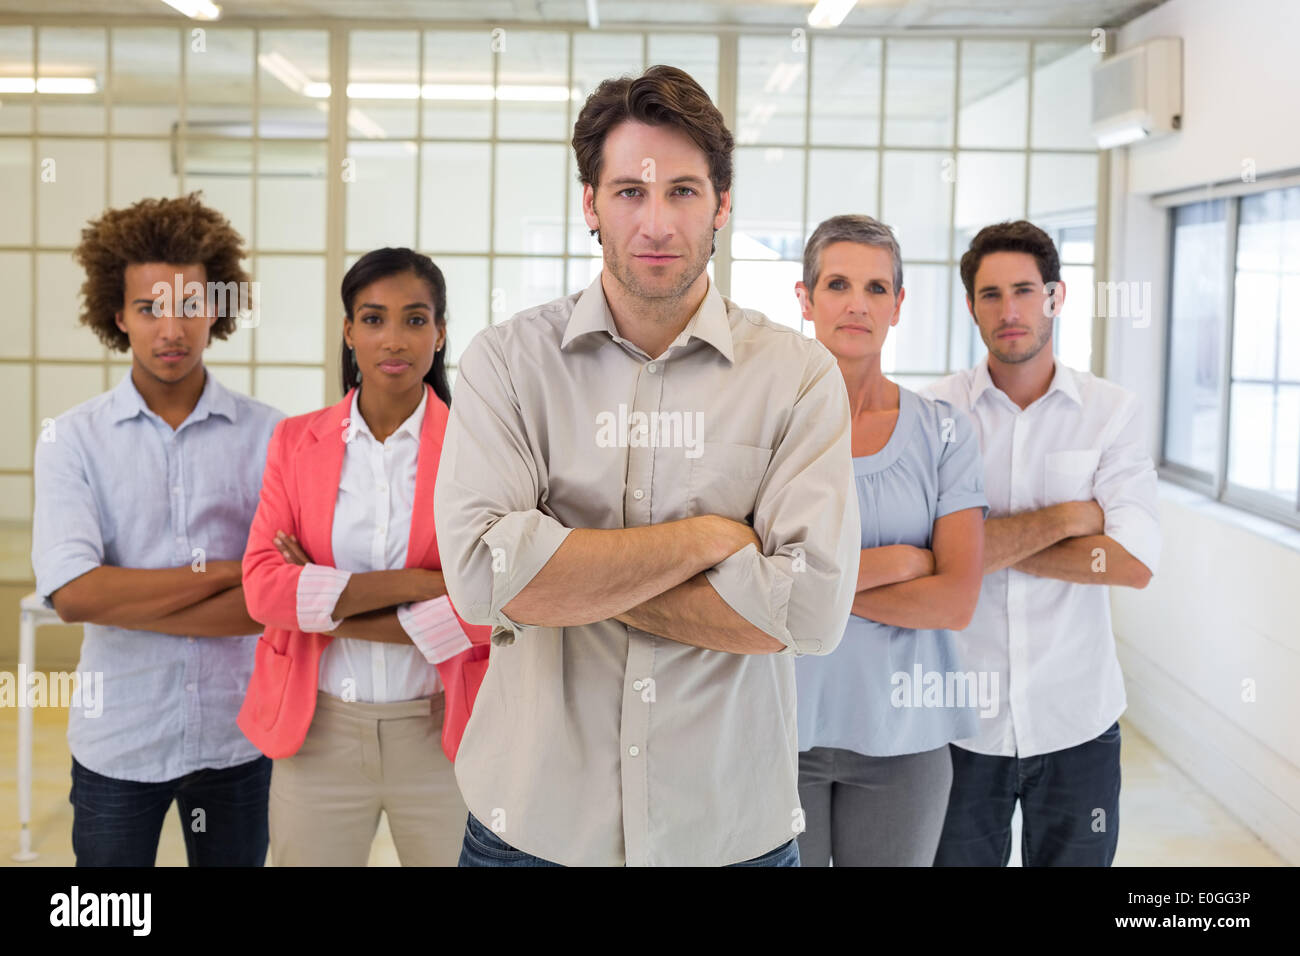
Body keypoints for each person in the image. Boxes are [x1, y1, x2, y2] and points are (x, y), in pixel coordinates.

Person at [433, 65, 861, 867]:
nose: (657, 223)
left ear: (722, 206)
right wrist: (708, 539)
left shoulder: (797, 377)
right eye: (630, 191)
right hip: (530, 826)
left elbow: (807, 613)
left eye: (684, 192)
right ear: (589, 205)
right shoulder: (508, 364)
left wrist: (566, 572)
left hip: (731, 831)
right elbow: (482, 580)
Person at [32, 193, 283, 866]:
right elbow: (76, 596)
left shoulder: (269, 437)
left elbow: (274, 603)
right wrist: (229, 572)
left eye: (189, 306)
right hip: (120, 739)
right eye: (149, 309)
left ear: (216, 311)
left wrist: (134, 598)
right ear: (118, 315)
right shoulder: (72, 441)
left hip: (237, 740)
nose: (170, 328)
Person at [238, 247, 490, 867]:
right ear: (349, 332)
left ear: (440, 332)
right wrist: (420, 583)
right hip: (318, 730)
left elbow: (490, 605)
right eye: (373, 319)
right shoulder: (296, 441)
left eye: (415, 318)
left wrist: (323, 597)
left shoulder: (478, 448)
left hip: (444, 729)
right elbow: (263, 590)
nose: (394, 339)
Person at [923, 219, 1161, 867]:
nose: (1010, 310)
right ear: (970, 305)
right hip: (960, 726)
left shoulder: (1111, 413)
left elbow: (1132, 563)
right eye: (991, 294)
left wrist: (977, 544)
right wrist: (1070, 519)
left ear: (1057, 297)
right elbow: (927, 563)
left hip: (1076, 722)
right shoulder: (936, 416)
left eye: (1025, 291)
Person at [792, 215, 987, 866]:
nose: (857, 303)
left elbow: (955, 601)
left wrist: (814, 589)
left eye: (876, 288)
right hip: (781, 729)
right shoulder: (769, 428)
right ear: (805, 297)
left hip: (905, 739)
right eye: (838, 284)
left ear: (898, 305)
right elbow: (746, 580)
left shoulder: (945, 431)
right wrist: (900, 563)